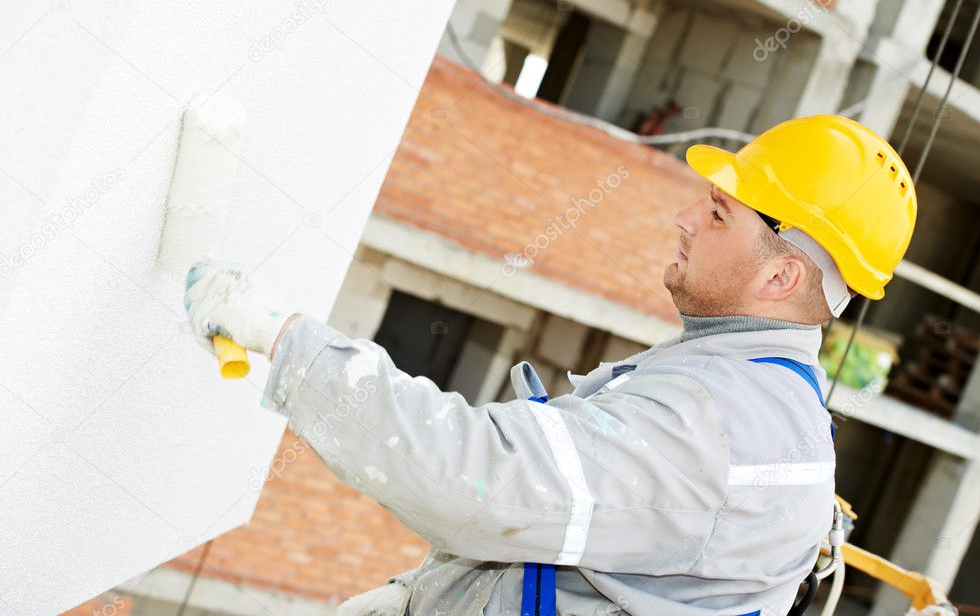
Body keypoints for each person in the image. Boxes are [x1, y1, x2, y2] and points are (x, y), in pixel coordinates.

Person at [184, 114, 917, 616]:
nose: (686, 218)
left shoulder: (718, 426)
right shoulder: (757, 397)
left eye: (721, 214)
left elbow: (473, 481)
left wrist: (281, 339)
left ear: (782, 279)